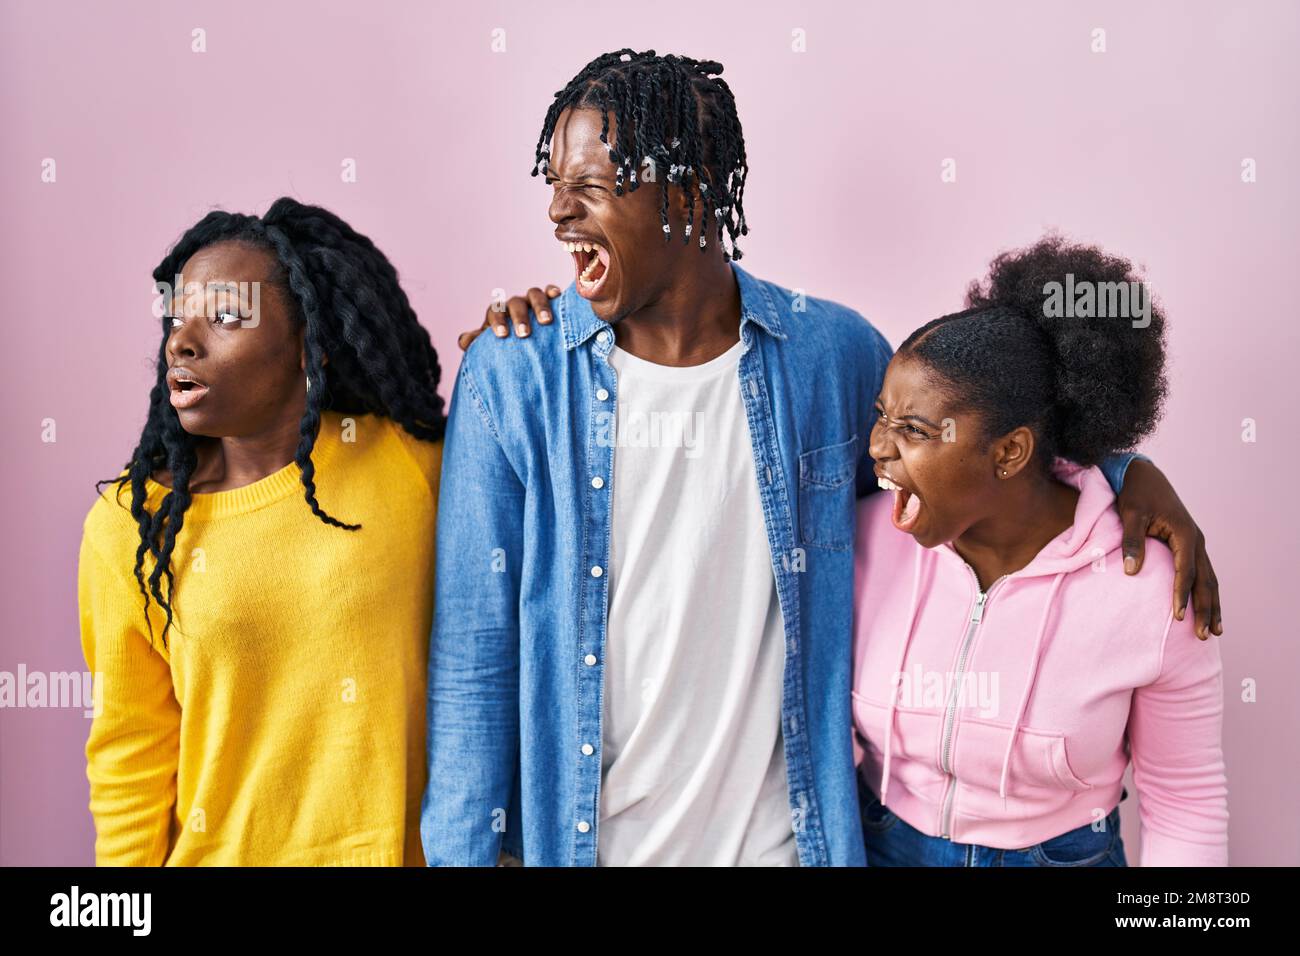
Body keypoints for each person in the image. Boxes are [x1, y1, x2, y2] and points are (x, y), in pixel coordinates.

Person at [426, 49, 1220, 867]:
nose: (558, 211)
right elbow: (472, 661)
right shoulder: (515, 376)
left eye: (591, 186)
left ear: (688, 194)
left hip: (789, 847)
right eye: (555, 183)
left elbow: (971, 439)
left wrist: (1123, 473)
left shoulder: (830, 354)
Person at [79, 198, 446, 865]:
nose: (182, 342)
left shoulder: (411, 466)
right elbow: (129, 753)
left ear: (310, 343)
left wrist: (522, 344)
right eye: (177, 318)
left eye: (225, 317)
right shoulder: (131, 528)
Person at [852, 236, 1227, 866]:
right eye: (881, 416)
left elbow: (1185, 803)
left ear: (1010, 452)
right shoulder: (860, 540)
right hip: (884, 845)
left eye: (914, 430)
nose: (877, 447)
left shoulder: (1149, 584)